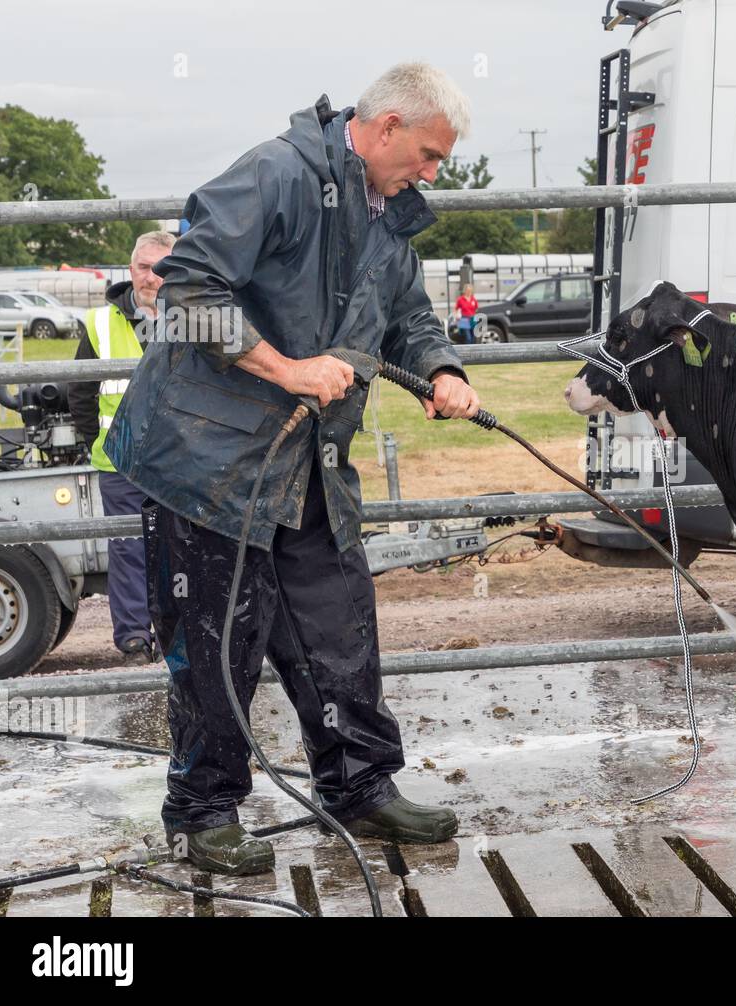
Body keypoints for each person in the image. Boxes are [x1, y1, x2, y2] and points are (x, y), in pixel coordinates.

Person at [104, 63, 481, 876]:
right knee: (218, 641)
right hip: (210, 459)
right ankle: (203, 813)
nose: (433, 172)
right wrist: (287, 368)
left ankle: (360, 787)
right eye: (427, 153)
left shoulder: (388, 216)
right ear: (384, 128)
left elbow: (407, 313)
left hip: (309, 457)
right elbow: (187, 291)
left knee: (338, 623)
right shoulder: (276, 174)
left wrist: (440, 366)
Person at [69, 231, 174, 664]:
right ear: (130, 269)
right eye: (143, 267)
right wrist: (97, 440)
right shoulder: (100, 324)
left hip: (179, 462)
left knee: (180, 547)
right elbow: (81, 392)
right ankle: (134, 639)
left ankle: (180, 637)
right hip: (121, 462)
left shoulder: (195, 317)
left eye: (161, 269)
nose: (151, 278)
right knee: (130, 547)